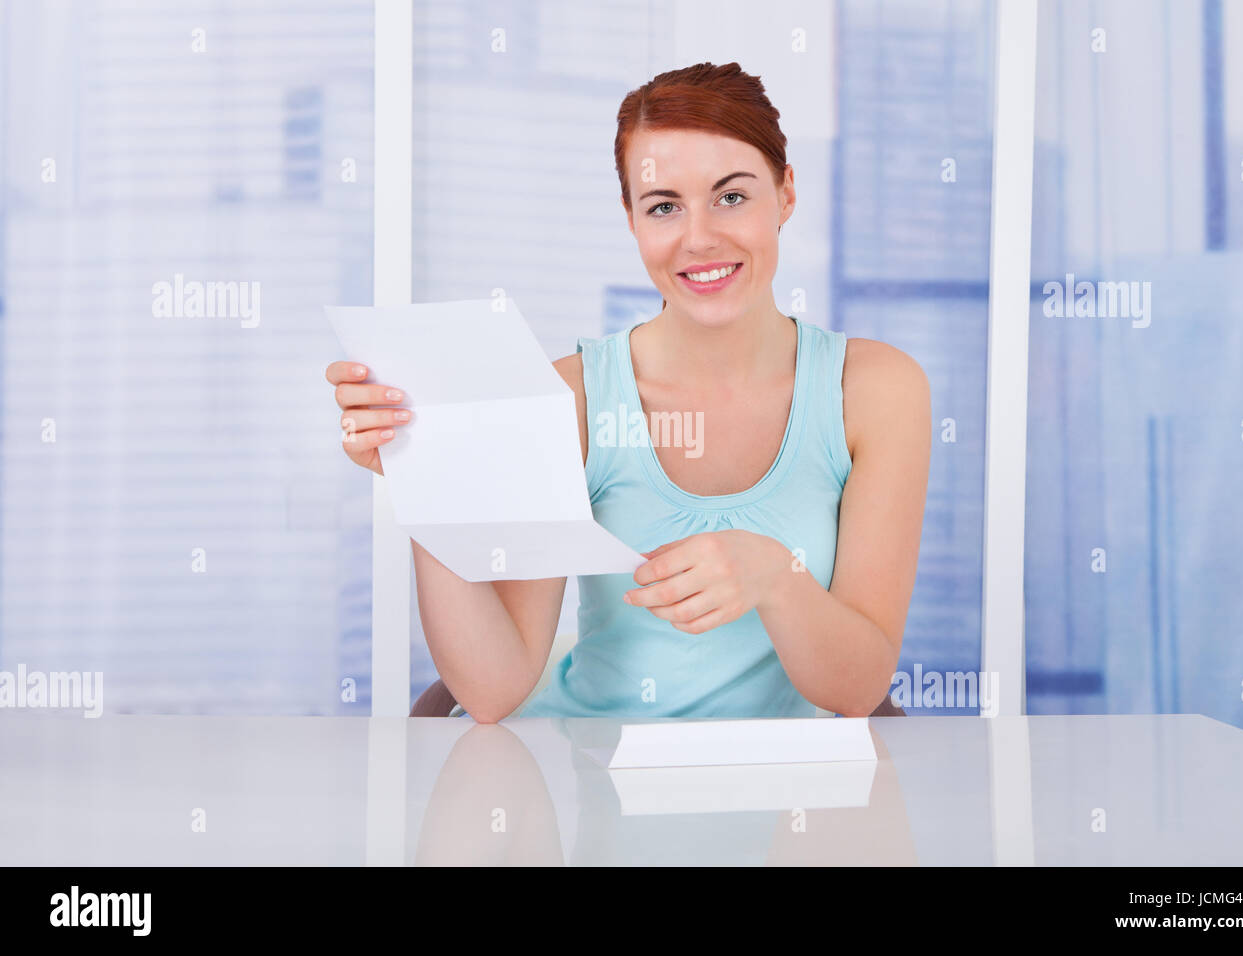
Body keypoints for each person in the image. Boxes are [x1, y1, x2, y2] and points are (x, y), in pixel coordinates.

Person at [326, 62, 930, 722]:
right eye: (664, 206)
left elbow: (857, 688)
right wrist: (424, 474)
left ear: (786, 194)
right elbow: (494, 688)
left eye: (732, 196)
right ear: (631, 218)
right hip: (593, 788)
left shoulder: (876, 391)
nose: (700, 238)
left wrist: (773, 576)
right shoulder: (570, 398)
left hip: (790, 806)